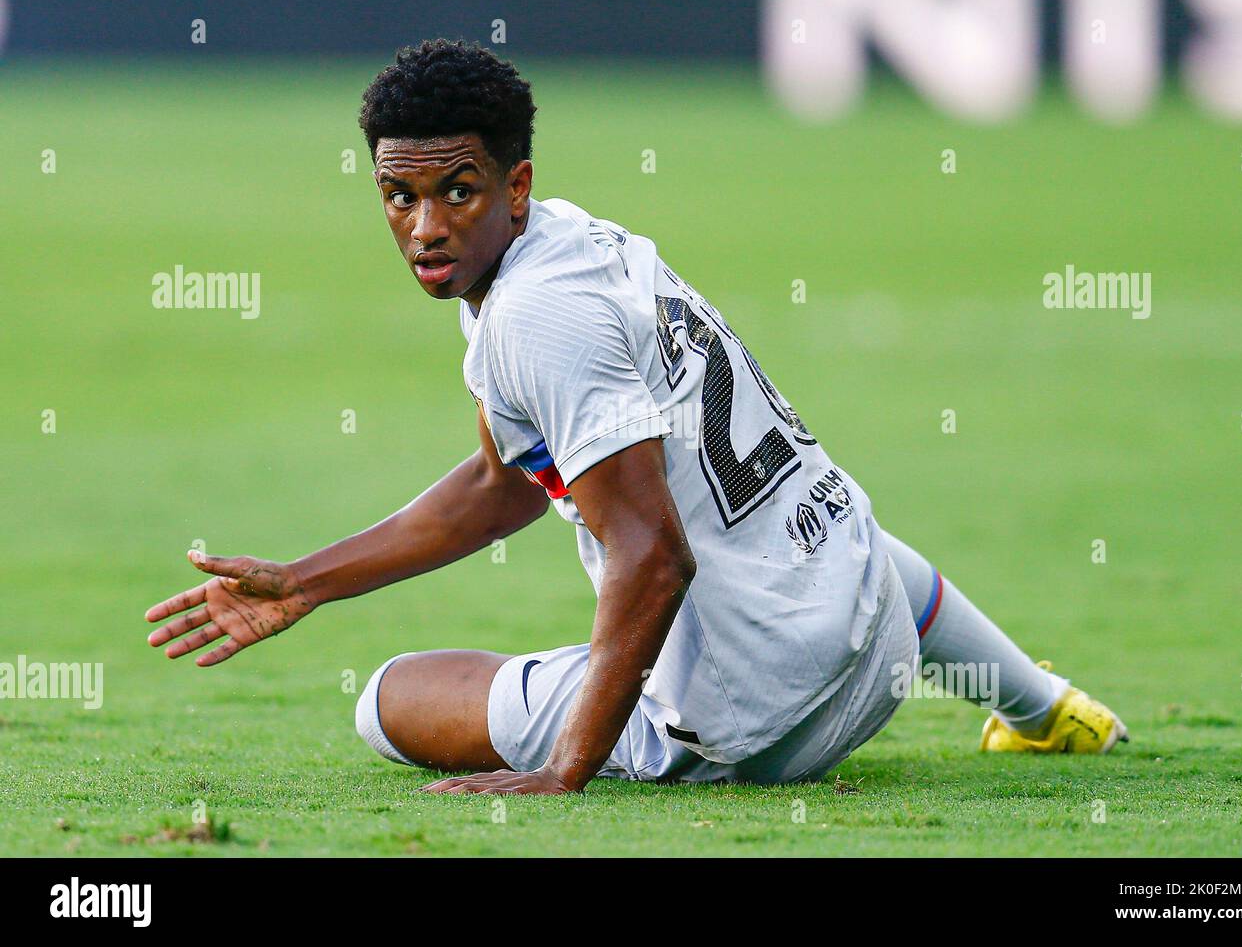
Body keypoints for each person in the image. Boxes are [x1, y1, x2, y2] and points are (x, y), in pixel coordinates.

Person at [146, 40, 1125, 795]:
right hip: (873, 628)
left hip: (763, 720)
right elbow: (502, 485)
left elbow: (654, 554)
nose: (425, 226)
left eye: (456, 190)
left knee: (387, 699)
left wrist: (562, 768)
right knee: (820, 523)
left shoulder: (534, 315)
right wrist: (304, 582)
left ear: (513, 185)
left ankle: (622, 731)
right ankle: (1045, 708)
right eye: (398, 196)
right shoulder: (571, 242)